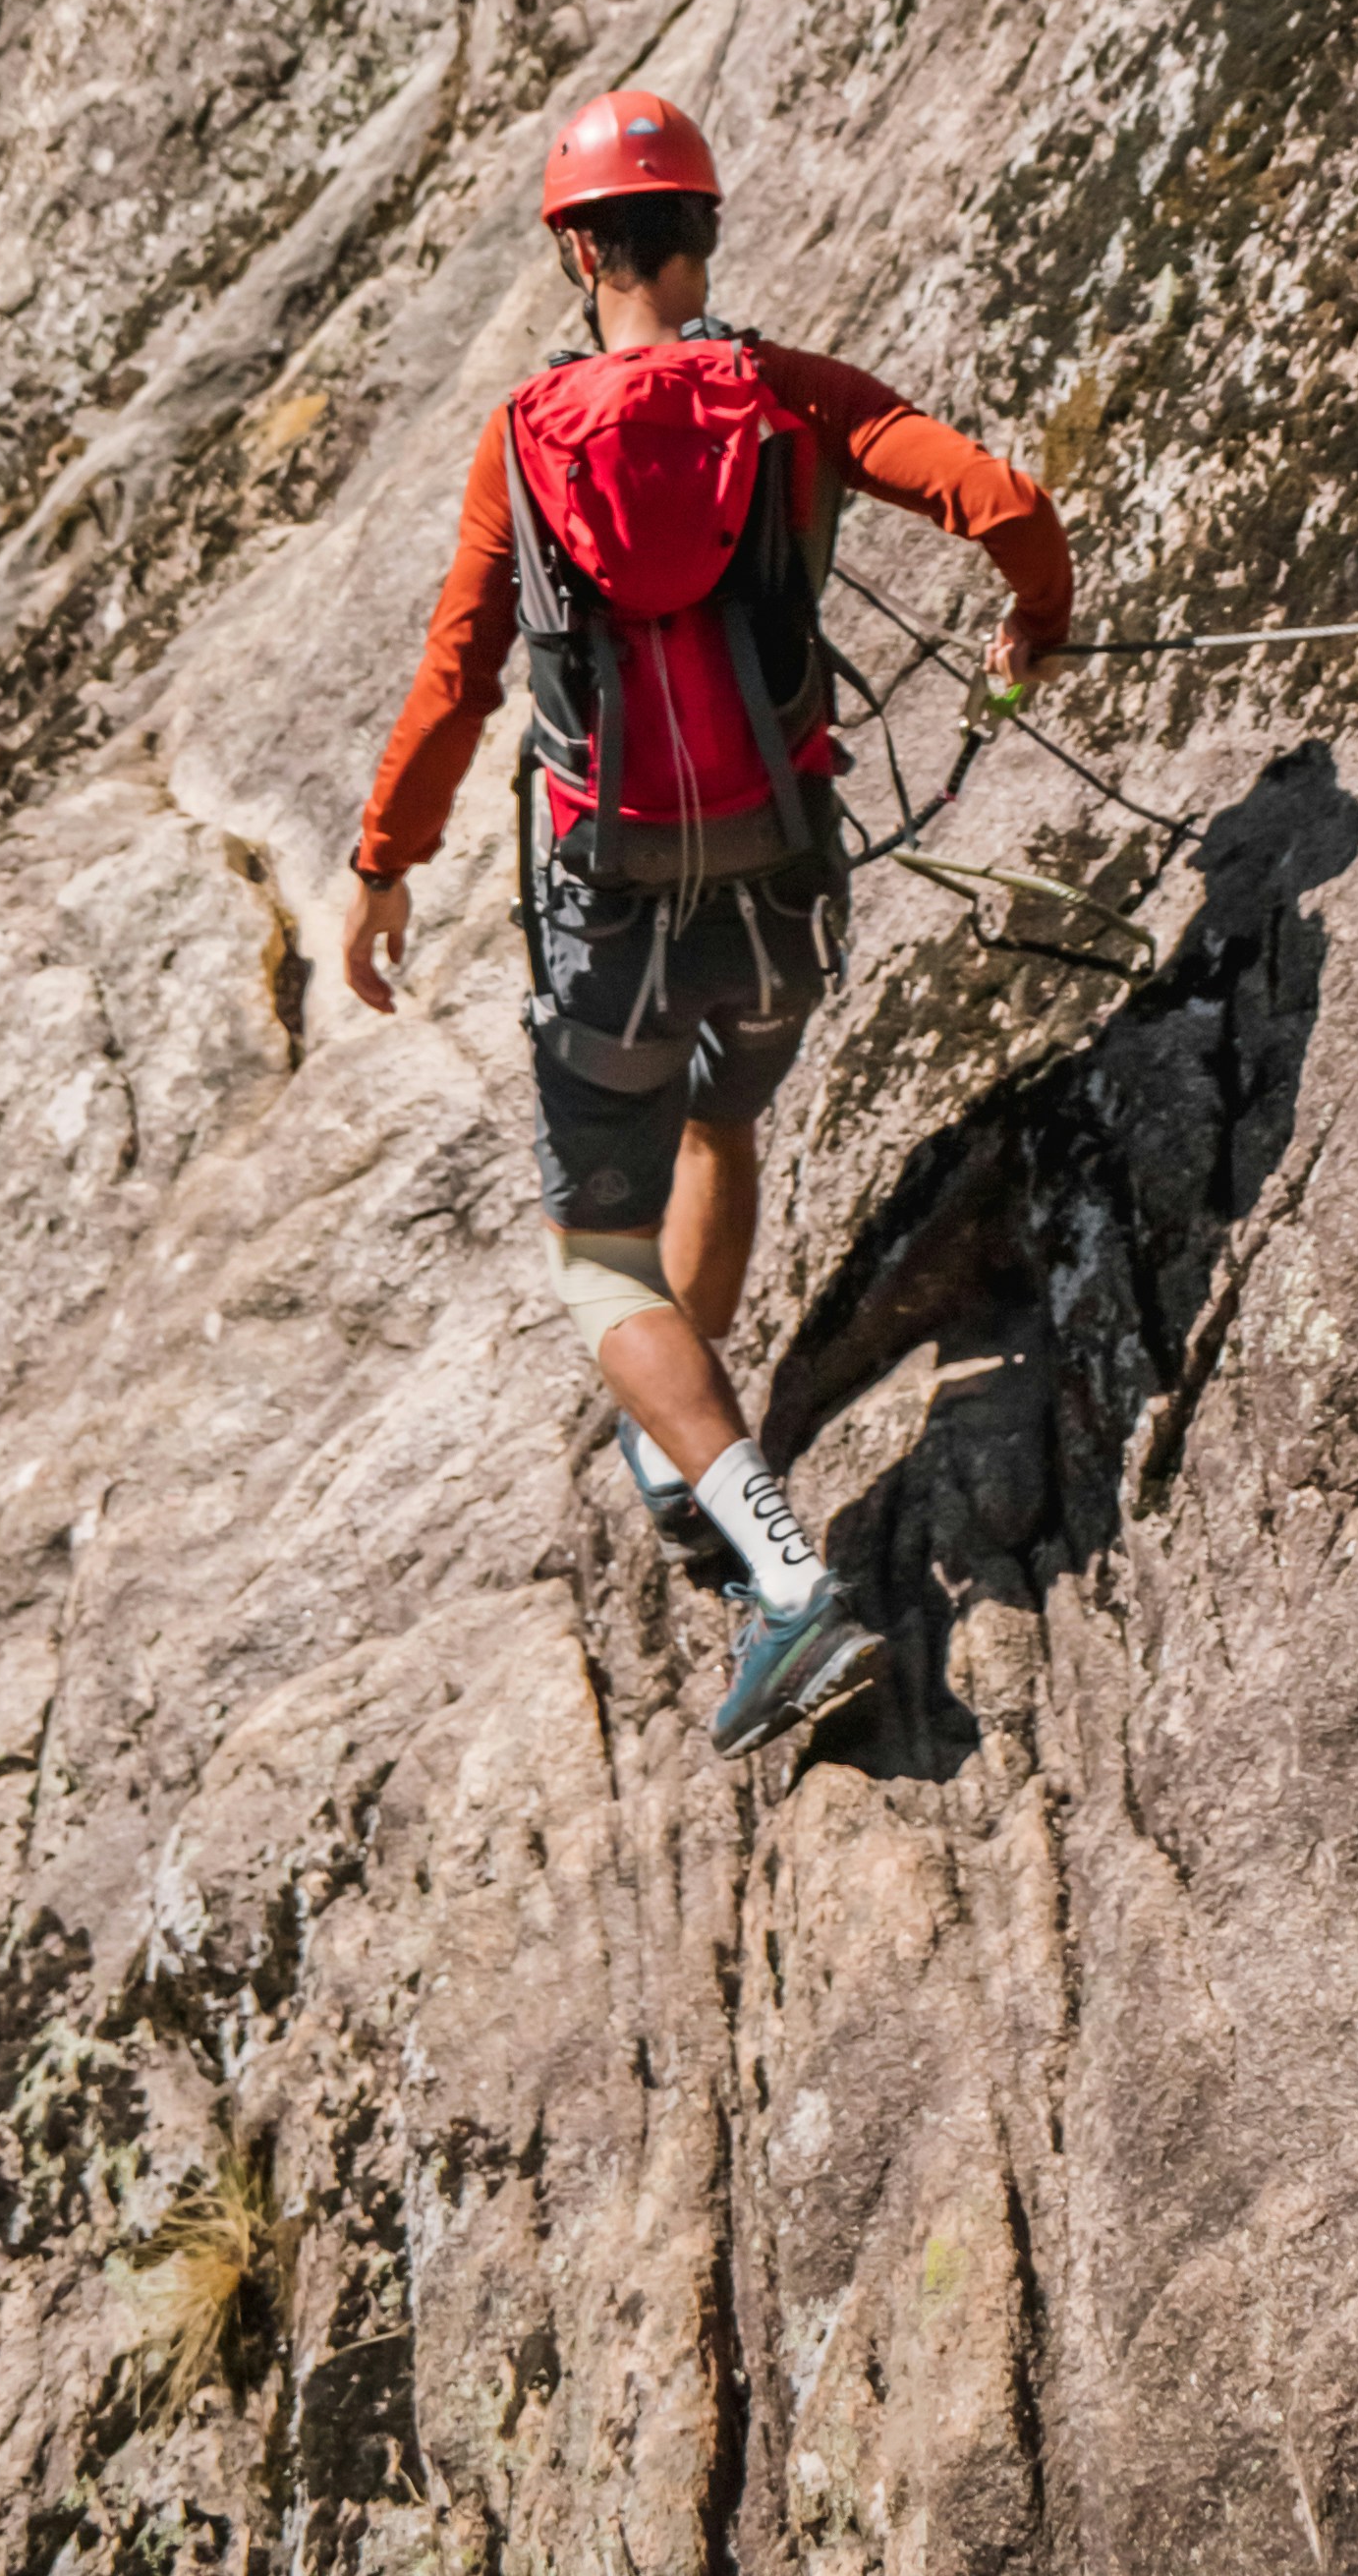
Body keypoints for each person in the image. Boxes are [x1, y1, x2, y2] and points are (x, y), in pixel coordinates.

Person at [343, 85, 1072, 1752]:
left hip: (613, 910)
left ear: (576, 248)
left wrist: (387, 861)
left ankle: (781, 1571)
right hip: (780, 877)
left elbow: (458, 677)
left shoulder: (525, 445)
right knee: (720, 1124)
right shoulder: (792, 403)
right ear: (705, 230)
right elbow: (1008, 507)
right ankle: (699, 1453)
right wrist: (1036, 624)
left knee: (603, 1268)